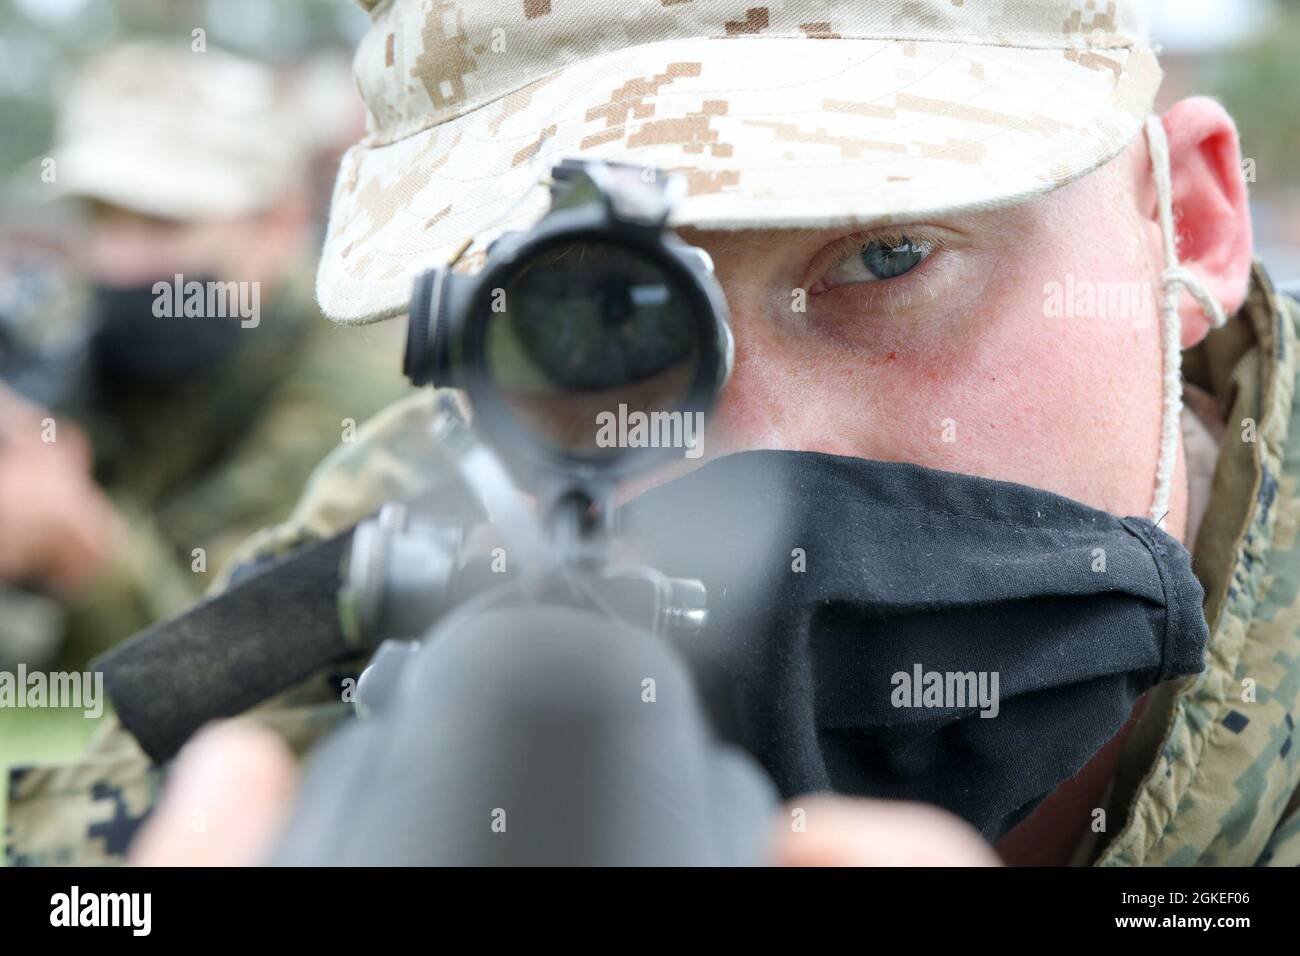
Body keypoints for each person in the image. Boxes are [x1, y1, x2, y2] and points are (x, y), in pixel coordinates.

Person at [8, 0, 1299, 867]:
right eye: (597, 315)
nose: (736, 455)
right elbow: (60, 737)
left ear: (1186, 226)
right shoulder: (401, 524)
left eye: (890, 256)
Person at [0, 42, 409, 821]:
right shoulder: (77, 339)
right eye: (100, 221)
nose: (121, 262)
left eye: (162, 223)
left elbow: (245, 656)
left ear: (277, 223)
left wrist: (84, 554)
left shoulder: (353, 394)